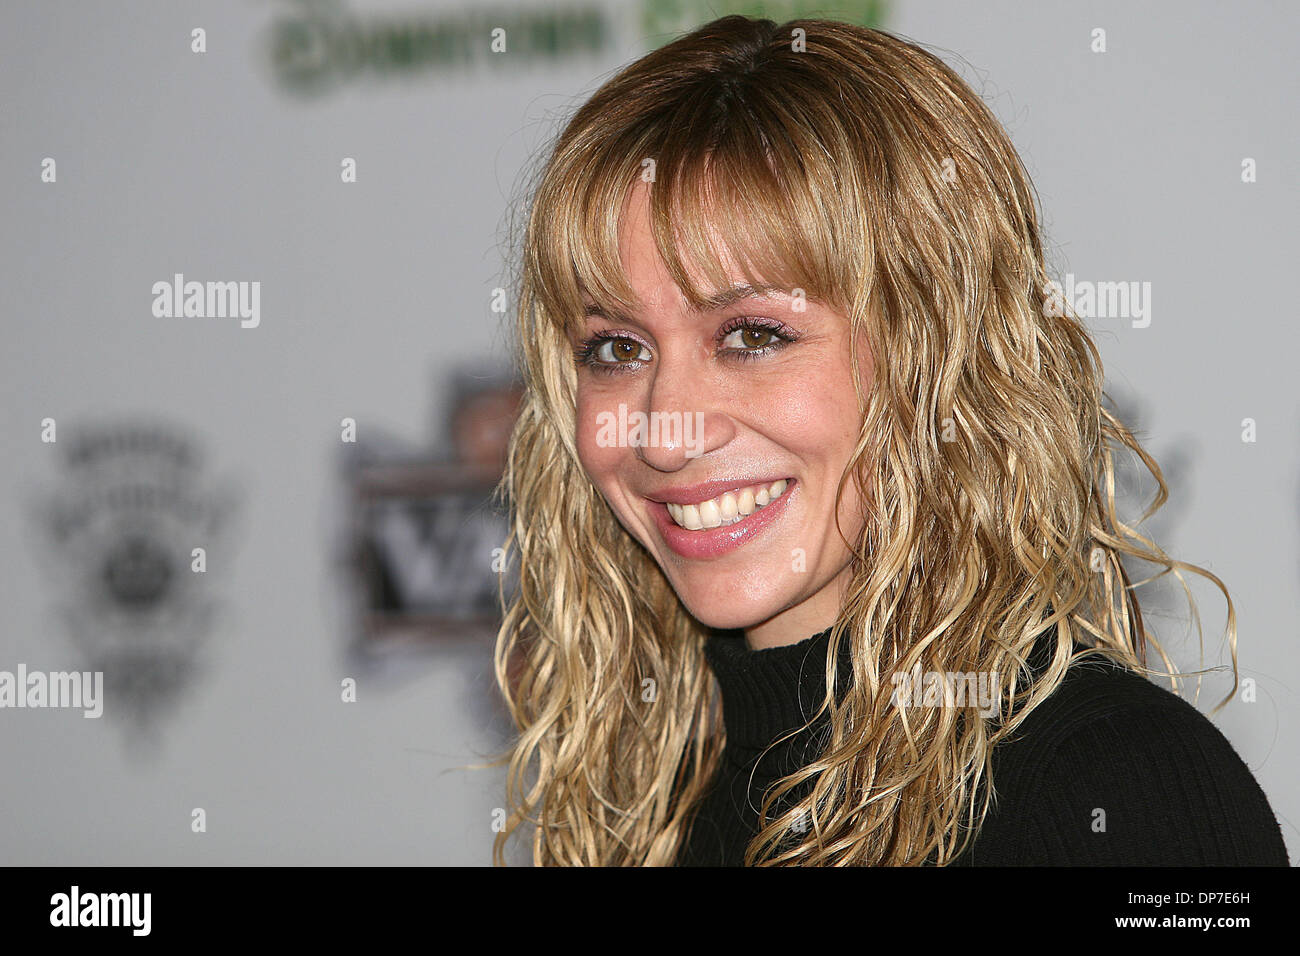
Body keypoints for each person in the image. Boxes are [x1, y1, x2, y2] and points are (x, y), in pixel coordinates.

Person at [489, 15, 1288, 866]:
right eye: (616, 349)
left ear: (933, 353)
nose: (662, 428)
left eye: (753, 335)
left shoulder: (1121, 789)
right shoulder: (653, 811)